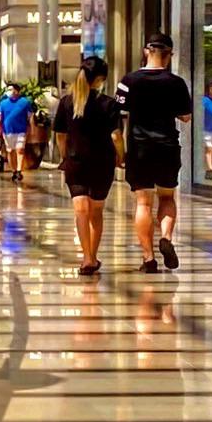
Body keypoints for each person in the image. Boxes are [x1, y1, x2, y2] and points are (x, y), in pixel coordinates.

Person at [115, 37, 196, 273]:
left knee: (143, 202)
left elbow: (119, 111)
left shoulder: (129, 80)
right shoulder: (176, 83)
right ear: (169, 55)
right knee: (167, 197)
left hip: (139, 147)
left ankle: (148, 258)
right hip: (167, 146)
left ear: (145, 52)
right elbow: (186, 116)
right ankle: (166, 238)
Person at [56, 56, 121, 275]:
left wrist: (64, 156)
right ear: (101, 79)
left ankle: (88, 257)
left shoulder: (67, 102)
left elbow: (60, 135)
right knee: (95, 211)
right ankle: (91, 255)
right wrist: (121, 156)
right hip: (102, 163)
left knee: (81, 210)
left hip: (76, 162)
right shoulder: (108, 103)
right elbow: (116, 136)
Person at [0, 82, 33, 179]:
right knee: (10, 151)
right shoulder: (3, 103)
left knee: (20, 149)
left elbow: (30, 116)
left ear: (17, 91)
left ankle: (19, 170)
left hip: (21, 130)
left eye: (11, 89)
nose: (9, 92)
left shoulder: (25, 102)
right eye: (8, 90)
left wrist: (31, 128)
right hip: (7, 131)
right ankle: (13, 170)